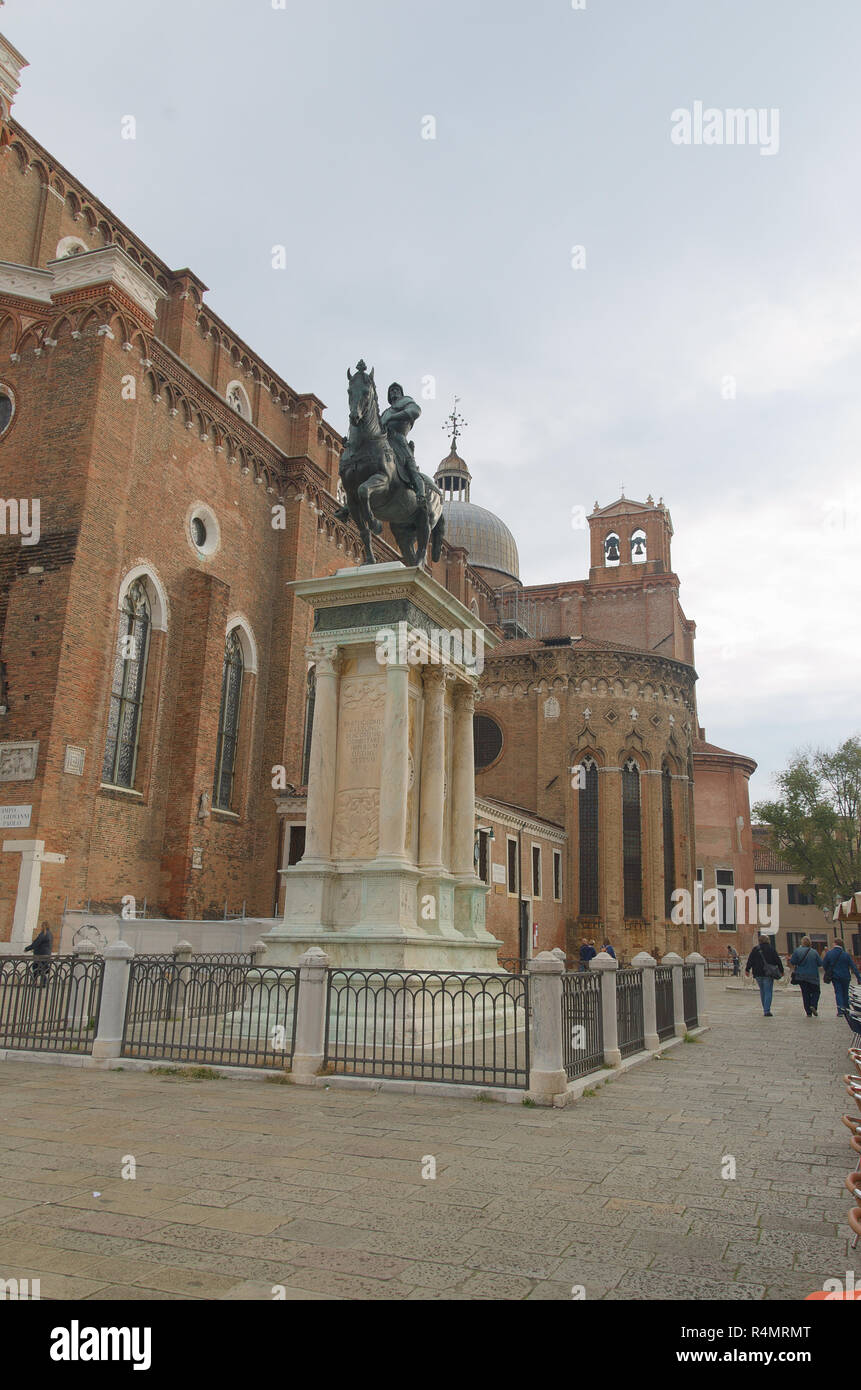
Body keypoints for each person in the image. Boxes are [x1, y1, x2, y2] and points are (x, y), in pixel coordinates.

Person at [380, 383, 427, 510]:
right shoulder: (385, 413)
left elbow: (415, 411)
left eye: (396, 390)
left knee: (410, 466)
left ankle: (421, 493)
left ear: (401, 392)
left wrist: (393, 417)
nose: (393, 392)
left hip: (399, 439)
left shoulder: (407, 402)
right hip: (384, 440)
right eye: (391, 391)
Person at [745, 932, 784, 1016]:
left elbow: (750, 960)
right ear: (768, 941)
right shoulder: (771, 949)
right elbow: (778, 960)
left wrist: (747, 969)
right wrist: (781, 970)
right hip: (768, 973)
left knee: (762, 991)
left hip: (758, 973)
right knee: (768, 991)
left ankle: (765, 1008)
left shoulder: (755, 949)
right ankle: (767, 1010)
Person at [822, 938, 861, 1017]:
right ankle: (846, 1009)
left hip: (835, 976)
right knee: (845, 993)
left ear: (835, 944)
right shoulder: (846, 955)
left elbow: (824, 964)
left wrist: (829, 971)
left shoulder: (829, 954)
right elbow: (853, 966)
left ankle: (840, 1010)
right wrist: (858, 977)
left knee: (838, 992)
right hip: (846, 976)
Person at [788, 935, 823, 1017]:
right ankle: (813, 1005)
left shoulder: (797, 951)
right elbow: (820, 963)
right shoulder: (814, 952)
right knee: (816, 992)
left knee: (805, 993)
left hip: (801, 976)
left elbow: (792, 962)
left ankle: (808, 1012)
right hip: (813, 976)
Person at [24, 921, 53, 987]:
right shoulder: (50, 934)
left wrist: (27, 948)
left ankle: (38, 983)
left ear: (43, 926)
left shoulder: (44, 934)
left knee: (37, 968)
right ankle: (40, 983)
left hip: (40, 955)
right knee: (42, 968)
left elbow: (36, 942)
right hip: (46, 954)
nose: (41, 927)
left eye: (41, 926)